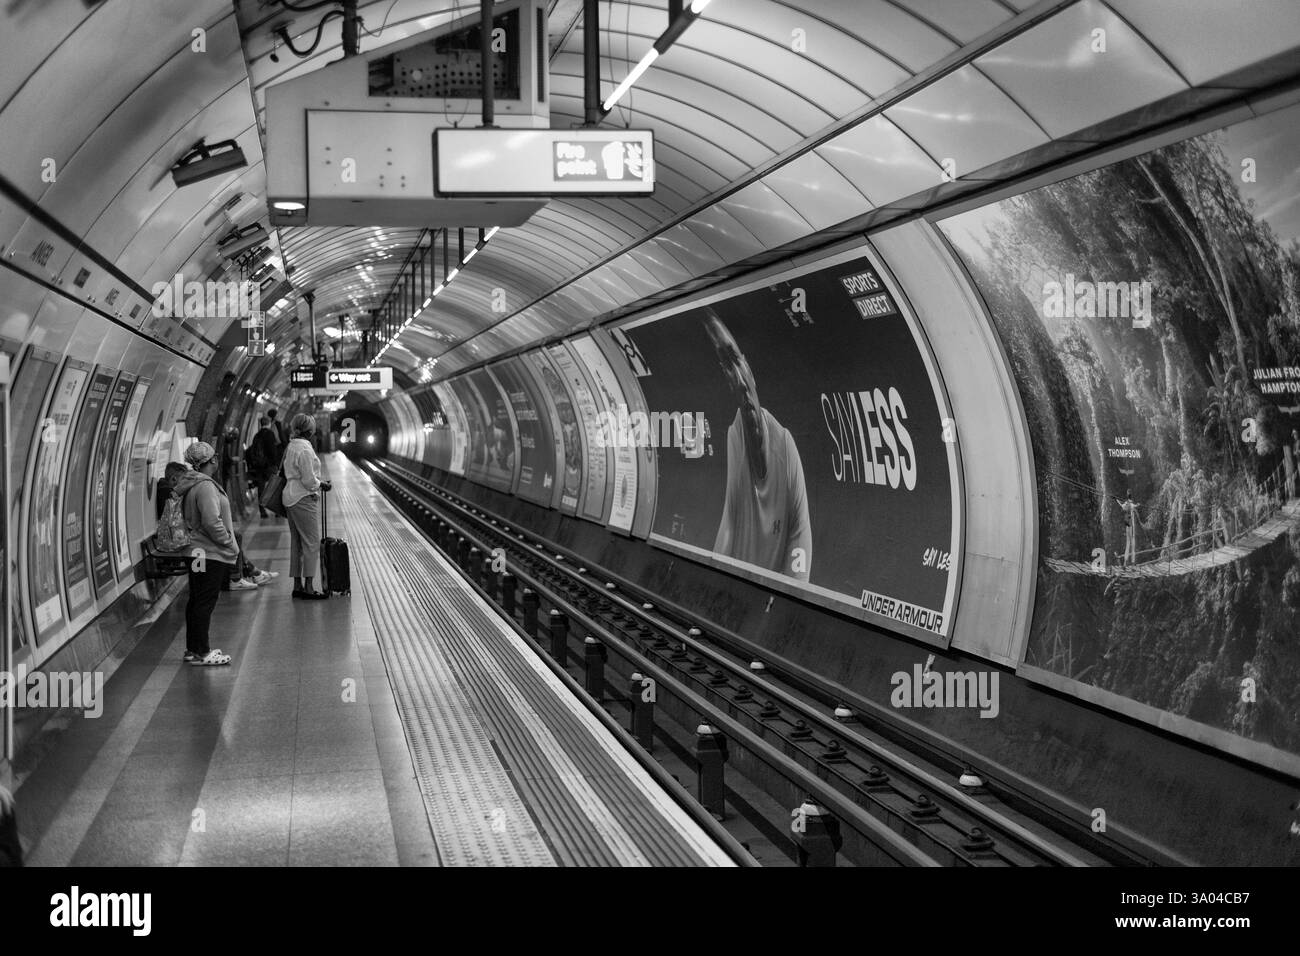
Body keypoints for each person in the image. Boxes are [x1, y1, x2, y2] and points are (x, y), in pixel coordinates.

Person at [703, 309, 812, 582]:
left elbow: (800, 536)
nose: (738, 380)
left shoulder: (784, 446)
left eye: (736, 361)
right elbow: (729, 518)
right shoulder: (735, 436)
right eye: (727, 368)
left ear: (749, 368)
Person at [173, 443, 236, 665]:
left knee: (197, 599)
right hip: (208, 552)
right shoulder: (206, 486)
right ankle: (202, 651)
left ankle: (192, 649)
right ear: (211, 461)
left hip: (195, 551)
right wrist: (229, 543)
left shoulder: (190, 482)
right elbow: (211, 521)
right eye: (215, 458)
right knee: (205, 600)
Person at [283, 413, 332, 599]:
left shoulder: (291, 445)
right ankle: (309, 588)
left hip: (290, 497)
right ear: (309, 430)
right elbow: (308, 480)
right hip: (302, 498)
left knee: (297, 543)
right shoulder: (304, 449)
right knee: (311, 543)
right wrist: (322, 484)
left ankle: (297, 586)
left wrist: (316, 481)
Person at [246, 415, 282, 517]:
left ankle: (262, 512)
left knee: (261, 488)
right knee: (275, 487)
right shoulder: (270, 434)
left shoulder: (257, 435)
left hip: (259, 467)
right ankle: (276, 511)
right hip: (270, 466)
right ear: (269, 423)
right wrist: (275, 463)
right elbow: (272, 451)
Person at [1115, 490, 1140, 565]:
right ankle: (1132, 563)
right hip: (1131, 527)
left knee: (1127, 544)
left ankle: (1125, 563)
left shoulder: (1125, 504)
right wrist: (1138, 504)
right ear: (1131, 498)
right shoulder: (1132, 505)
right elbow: (1135, 506)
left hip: (1127, 526)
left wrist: (1116, 500)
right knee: (1133, 546)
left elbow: (1120, 504)